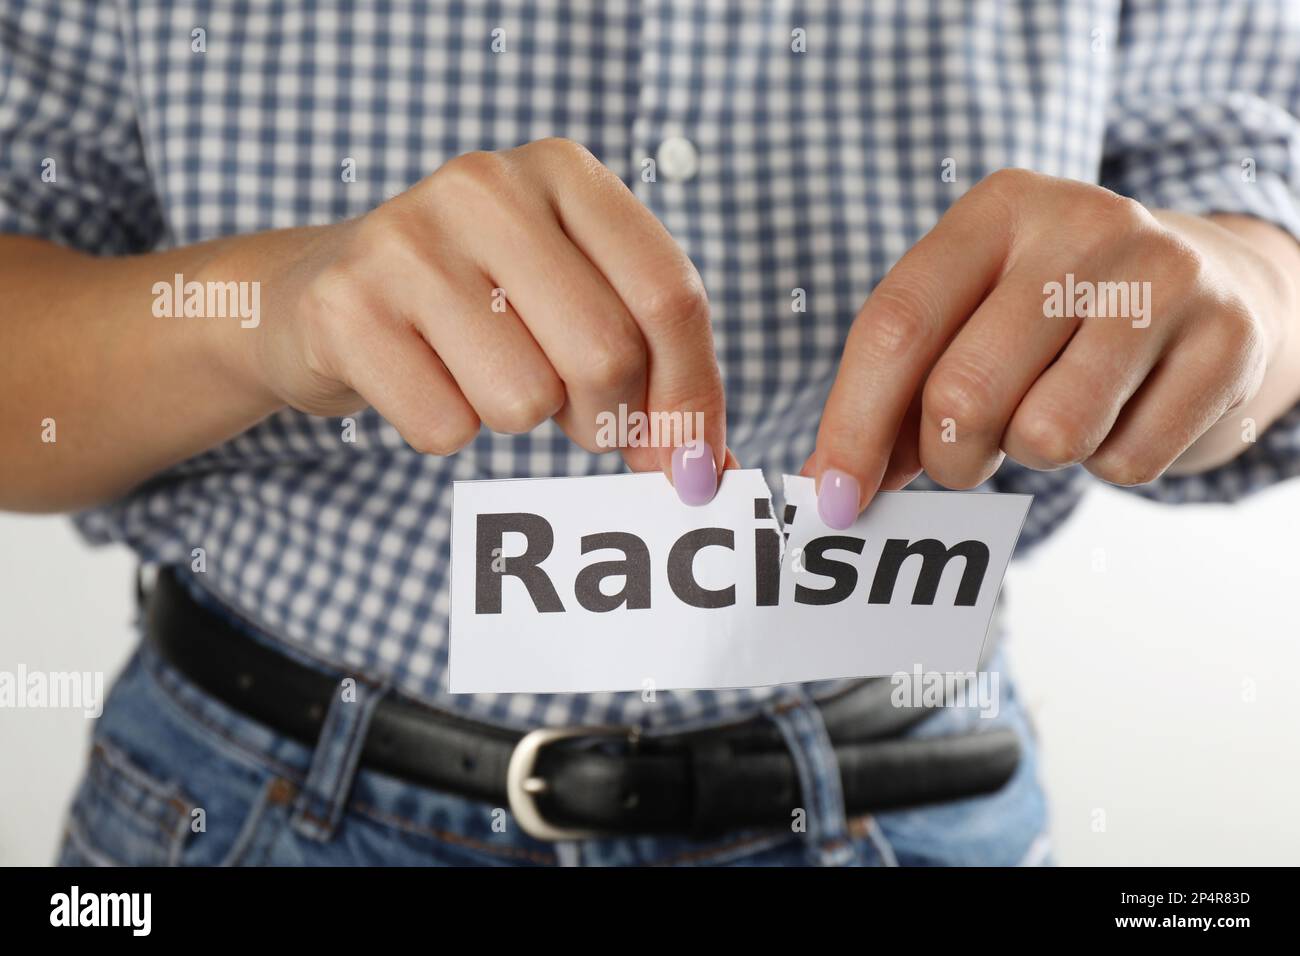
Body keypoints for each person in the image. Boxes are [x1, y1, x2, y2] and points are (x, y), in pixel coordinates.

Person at [3, 0, 1299, 867]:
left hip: (910, 797)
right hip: (254, 800)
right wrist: (262, 312)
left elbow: (1253, 187)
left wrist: (1239, 294)